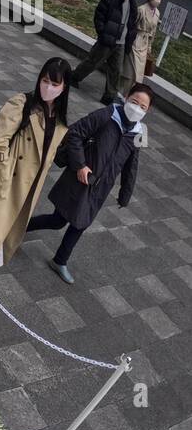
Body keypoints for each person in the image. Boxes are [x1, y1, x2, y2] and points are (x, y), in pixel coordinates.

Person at [0, 58, 72, 300]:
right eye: (45, 80)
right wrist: (2, 169)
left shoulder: (59, 121)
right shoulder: (23, 103)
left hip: (28, 186)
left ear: (64, 87)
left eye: (54, 83)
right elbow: (2, 139)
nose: (48, 86)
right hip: (7, 176)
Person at [27, 84, 150, 284]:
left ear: (148, 110)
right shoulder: (107, 114)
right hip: (79, 179)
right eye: (134, 102)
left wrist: (125, 194)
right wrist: (80, 165)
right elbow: (74, 133)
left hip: (100, 187)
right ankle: (20, 228)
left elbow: (132, 164)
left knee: (80, 224)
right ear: (126, 97)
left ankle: (60, 260)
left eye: (143, 106)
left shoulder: (140, 131)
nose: (137, 108)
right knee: (59, 220)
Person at [72, 0, 138, 104]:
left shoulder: (133, 4)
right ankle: (74, 77)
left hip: (121, 43)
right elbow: (99, 15)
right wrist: (102, 33)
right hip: (107, 40)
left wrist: (128, 42)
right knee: (93, 62)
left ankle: (109, 95)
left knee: (116, 70)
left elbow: (132, 25)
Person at [124, 0, 161, 90]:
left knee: (139, 73)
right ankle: (124, 91)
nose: (157, 0)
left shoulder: (157, 13)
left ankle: (130, 91)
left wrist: (149, 46)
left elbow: (153, 31)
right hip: (136, 39)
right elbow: (132, 24)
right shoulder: (141, 9)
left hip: (145, 43)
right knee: (132, 69)